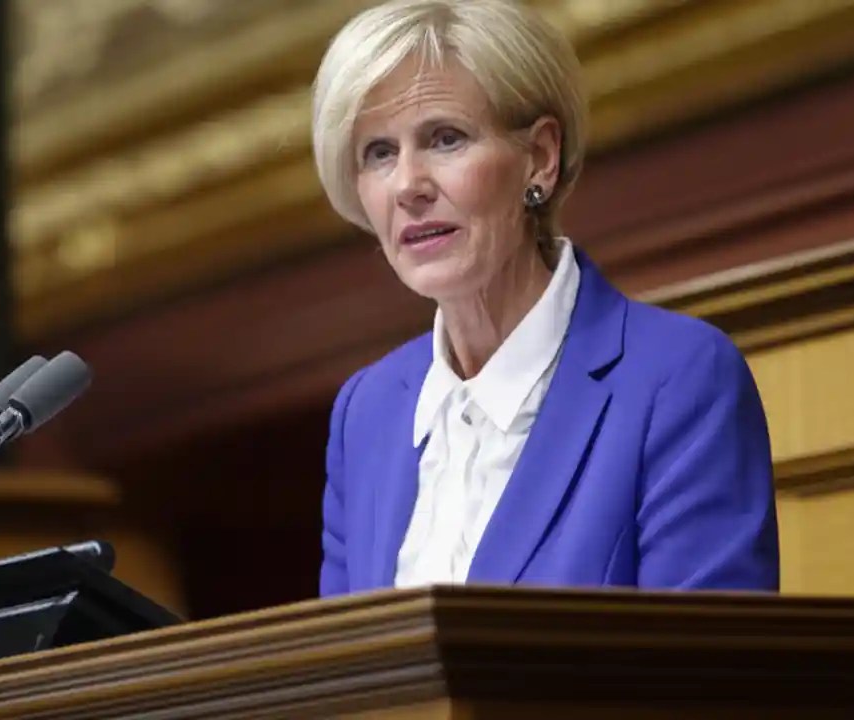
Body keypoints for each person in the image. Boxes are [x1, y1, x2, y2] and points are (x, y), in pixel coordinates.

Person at [312, 0, 778, 597]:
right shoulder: (367, 413)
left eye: (445, 139)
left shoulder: (678, 379)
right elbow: (344, 677)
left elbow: (710, 677)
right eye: (379, 152)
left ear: (540, 157)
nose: (408, 185)